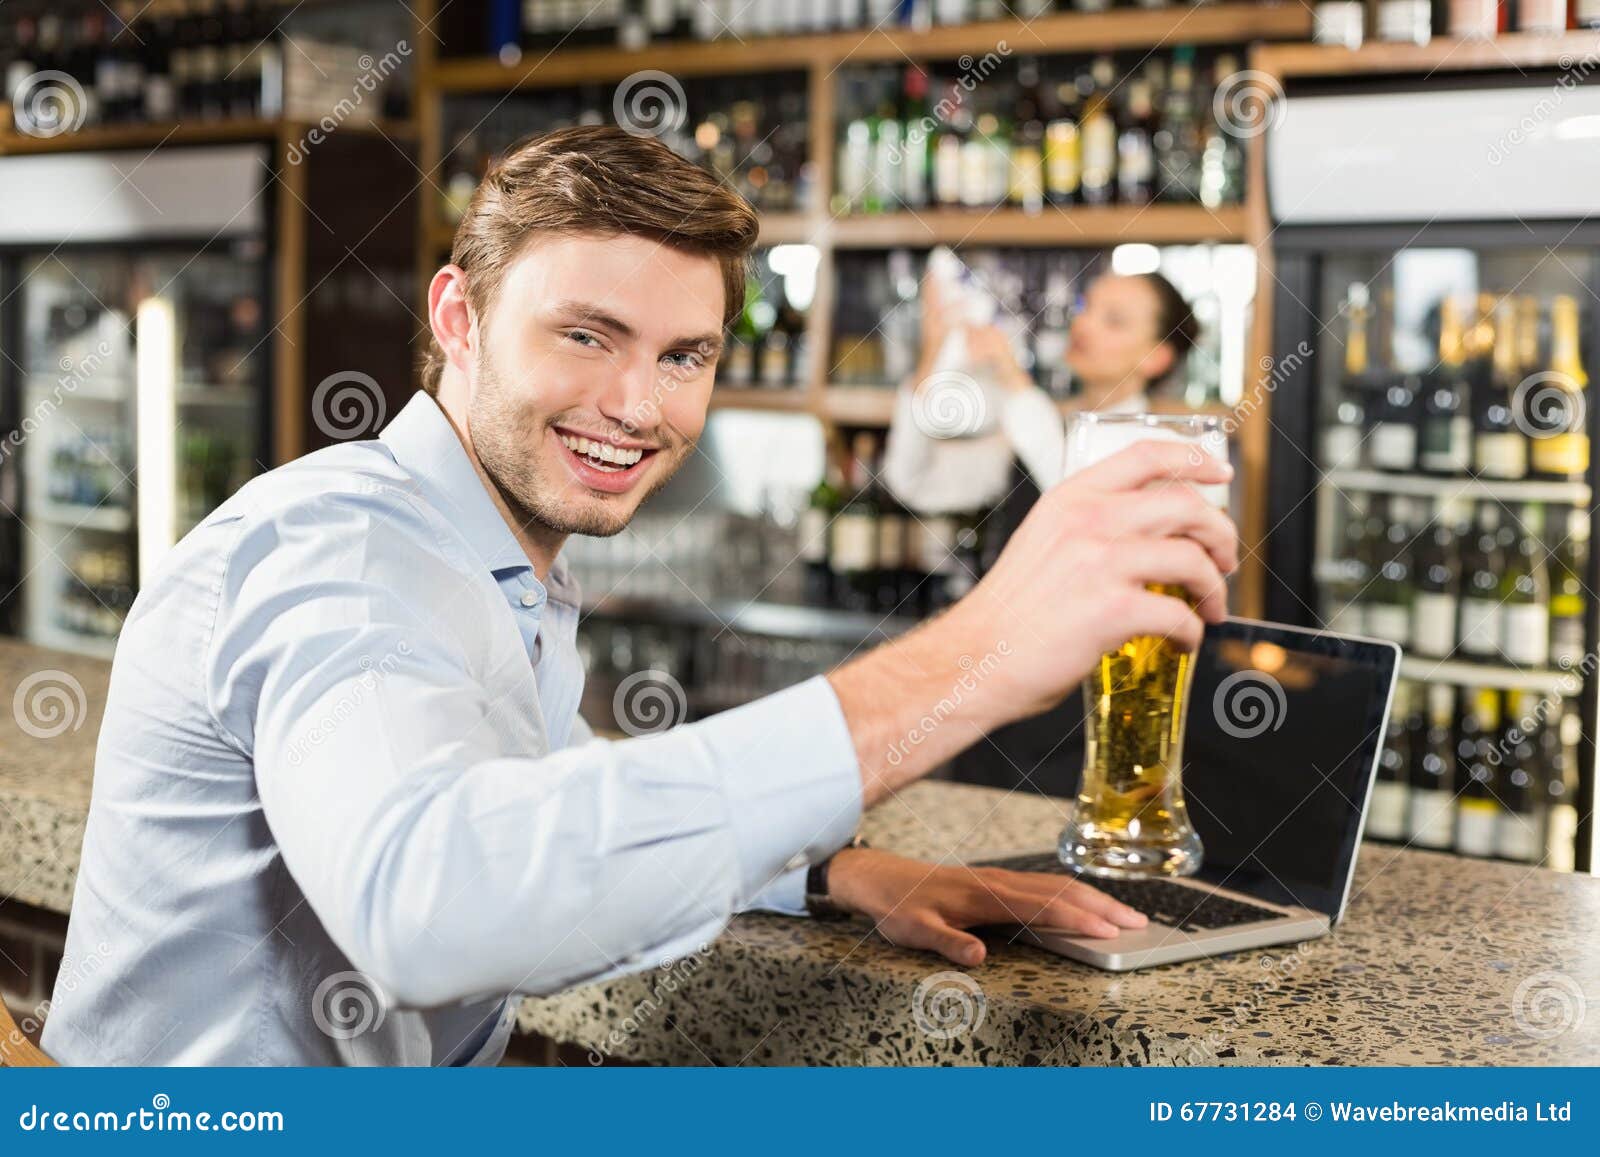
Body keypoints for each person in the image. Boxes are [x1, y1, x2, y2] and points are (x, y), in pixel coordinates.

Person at [43, 126, 1235, 1066]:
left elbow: (548, 796)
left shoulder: (493, 559)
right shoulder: (346, 551)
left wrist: (833, 870)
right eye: (587, 334)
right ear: (458, 319)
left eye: (683, 356)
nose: (637, 405)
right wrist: (972, 652)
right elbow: (431, 905)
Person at [883, 266, 1202, 510]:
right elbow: (913, 481)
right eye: (1085, 306)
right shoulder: (1039, 422)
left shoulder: (1157, 451)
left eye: (1113, 320)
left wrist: (1012, 376)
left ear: (1157, 358)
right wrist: (932, 357)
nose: (1084, 324)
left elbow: (1077, 507)